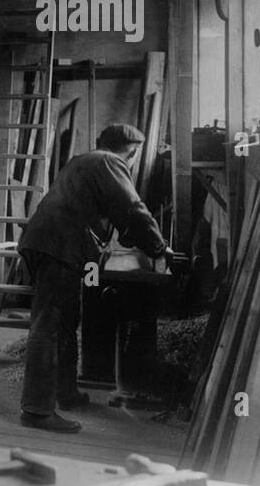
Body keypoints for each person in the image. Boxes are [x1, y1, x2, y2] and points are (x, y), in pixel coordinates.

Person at [16, 123, 171, 433]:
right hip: (59, 247)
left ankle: (65, 392)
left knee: (64, 321)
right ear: (132, 151)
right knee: (50, 325)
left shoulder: (85, 160)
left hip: (53, 244)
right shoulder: (110, 162)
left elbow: (107, 211)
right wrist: (158, 247)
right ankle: (36, 410)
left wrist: (128, 236)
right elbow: (132, 208)